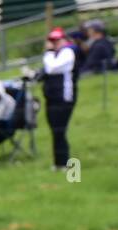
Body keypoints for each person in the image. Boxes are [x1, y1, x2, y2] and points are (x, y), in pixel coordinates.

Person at [41, 27, 78, 169]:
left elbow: (52, 68)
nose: (55, 43)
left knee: (60, 130)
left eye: (57, 40)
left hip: (63, 98)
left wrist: (49, 52)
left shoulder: (67, 53)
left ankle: (64, 162)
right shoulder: (52, 56)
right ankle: (58, 162)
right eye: (52, 41)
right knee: (55, 130)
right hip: (51, 98)